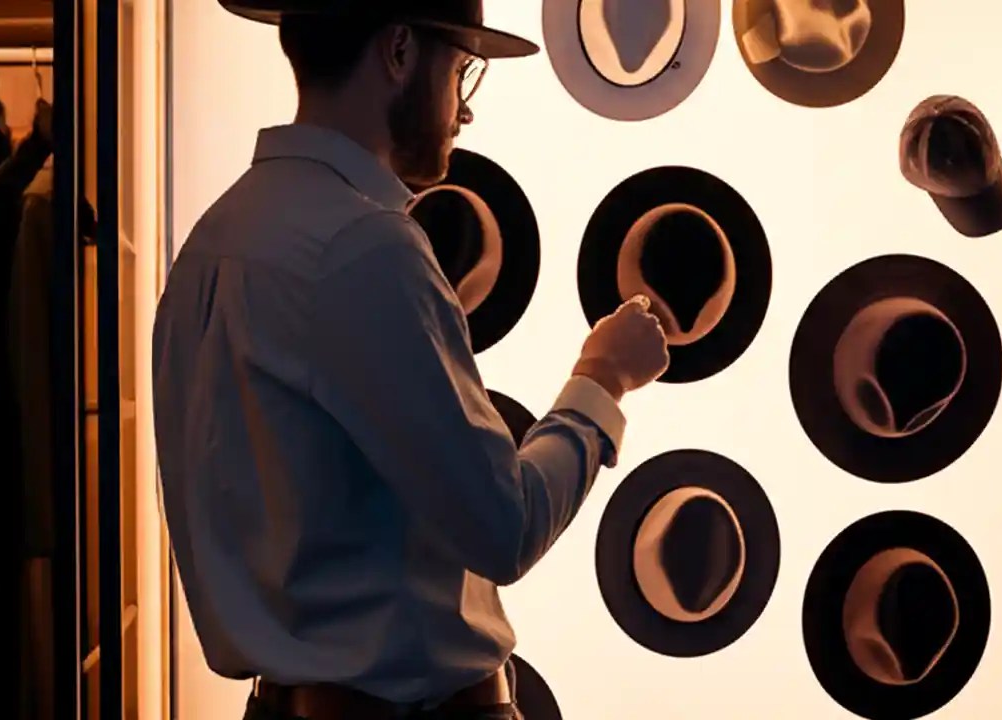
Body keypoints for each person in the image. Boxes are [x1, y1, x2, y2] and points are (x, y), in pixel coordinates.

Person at [151, 1, 671, 718]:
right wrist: (603, 379)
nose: (464, 112)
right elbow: (501, 527)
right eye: (461, 70)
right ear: (399, 51)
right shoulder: (366, 247)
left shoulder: (212, 242)